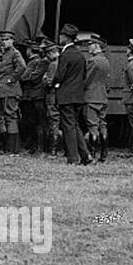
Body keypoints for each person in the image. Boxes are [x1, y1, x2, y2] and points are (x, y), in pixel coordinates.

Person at [51, 23, 91, 166]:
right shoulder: (80, 55)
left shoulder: (65, 54)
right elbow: (84, 75)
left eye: (61, 36)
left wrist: (53, 83)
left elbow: (59, 75)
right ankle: (85, 156)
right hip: (78, 95)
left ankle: (73, 158)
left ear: (66, 38)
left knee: (68, 127)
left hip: (66, 96)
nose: (59, 38)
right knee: (75, 126)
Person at [0, 33, 27, 154]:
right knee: (8, 117)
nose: (4, 42)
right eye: (2, 39)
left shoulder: (14, 53)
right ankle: (11, 147)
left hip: (10, 90)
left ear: (12, 41)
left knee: (11, 117)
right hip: (4, 89)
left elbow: (22, 66)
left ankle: (14, 149)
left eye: (7, 39)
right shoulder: (4, 53)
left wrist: (12, 78)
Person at [82, 34, 111, 163]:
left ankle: (92, 154)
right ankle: (104, 155)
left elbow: (86, 80)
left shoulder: (93, 61)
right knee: (102, 124)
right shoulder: (105, 60)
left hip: (92, 96)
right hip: (103, 97)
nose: (88, 47)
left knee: (92, 126)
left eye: (90, 45)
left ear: (96, 46)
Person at [19, 42, 49, 155]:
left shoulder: (39, 62)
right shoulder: (40, 61)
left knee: (37, 122)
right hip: (34, 95)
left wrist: (28, 76)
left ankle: (39, 148)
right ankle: (37, 147)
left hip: (35, 95)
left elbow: (26, 77)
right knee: (36, 122)